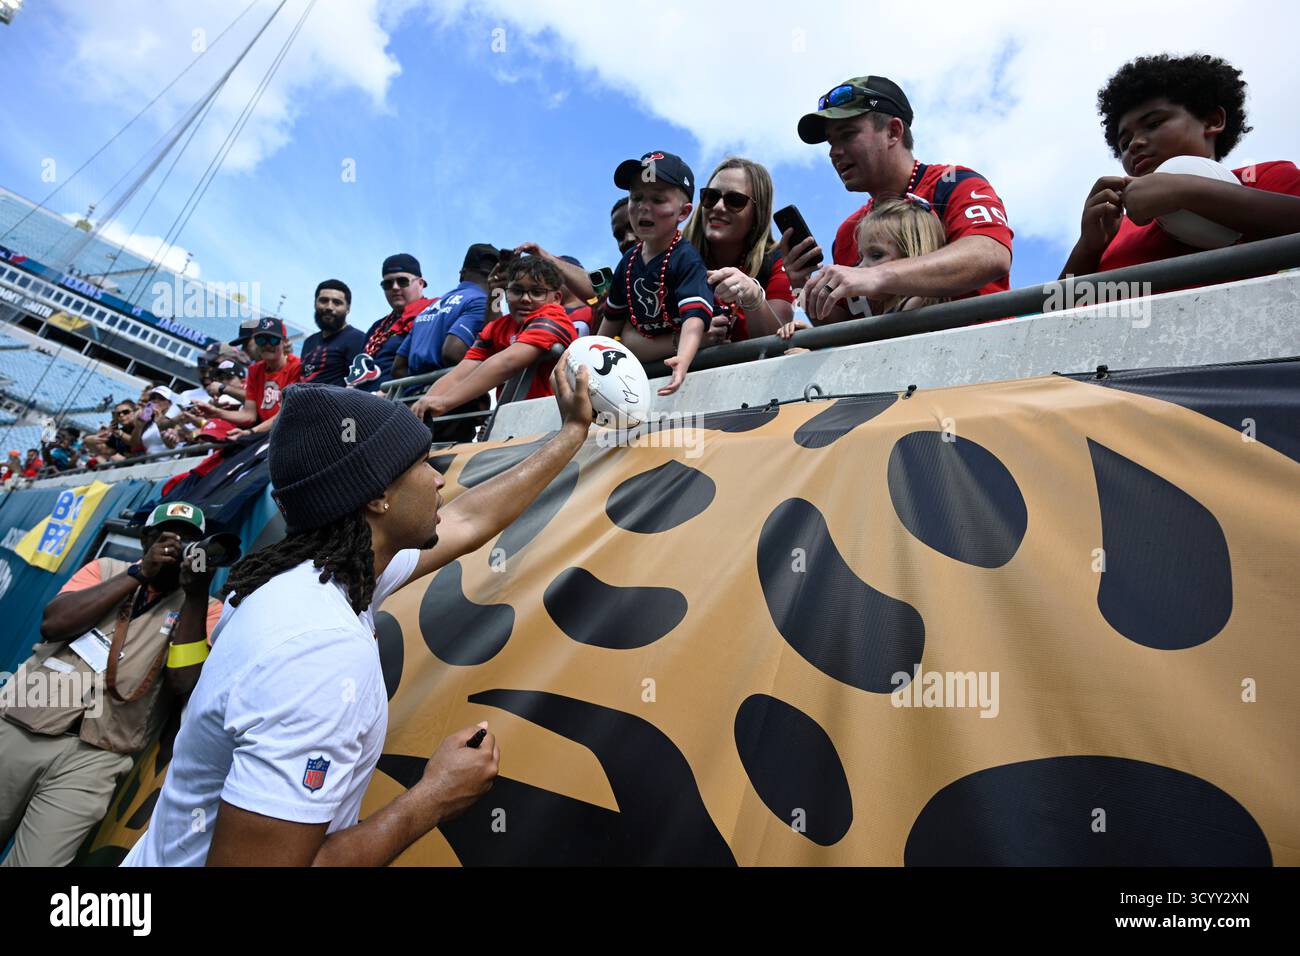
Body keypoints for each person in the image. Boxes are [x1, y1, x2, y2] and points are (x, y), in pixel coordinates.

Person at [121, 371, 594, 866]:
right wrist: (434, 796)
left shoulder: (315, 576)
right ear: (375, 496)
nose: (440, 478)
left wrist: (569, 436)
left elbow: (469, 520)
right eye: (422, 463)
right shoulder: (320, 651)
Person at [0, 502, 221, 867]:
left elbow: (185, 681)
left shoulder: (205, 607)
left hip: (98, 756)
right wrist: (139, 572)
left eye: (188, 541)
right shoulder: (105, 569)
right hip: (23, 725)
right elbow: (54, 623)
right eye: (166, 536)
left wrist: (195, 596)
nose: (175, 546)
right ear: (146, 539)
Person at [793, 75, 1014, 325]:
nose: (834, 152)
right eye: (831, 142)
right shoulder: (847, 232)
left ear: (893, 132)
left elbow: (992, 254)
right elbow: (847, 326)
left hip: (989, 356)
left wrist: (877, 276)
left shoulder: (953, 183)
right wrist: (804, 284)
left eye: (848, 135)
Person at [1061, 53, 1300, 277]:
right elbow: (1052, 315)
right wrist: (1088, 248)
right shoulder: (1114, 232)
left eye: (1154, 123)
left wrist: (1185, 191)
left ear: (1212, 121)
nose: (1134, 144)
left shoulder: (1262, 180)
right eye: (1124, 143)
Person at [597, 150, 715, 396]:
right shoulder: (628, 262)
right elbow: (610, 322)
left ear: (683, 213)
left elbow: (694, 321)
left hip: (699, 369)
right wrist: (588, 358)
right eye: (636, 197)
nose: (643, 207)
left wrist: (682, 358)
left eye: (658, 200)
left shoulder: (686, 258)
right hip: (651, 371)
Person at [411, 256, 577, 420]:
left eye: (537, 292)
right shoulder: (496, 327)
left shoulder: (555, 317)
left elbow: (508, 362)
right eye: (517, 291)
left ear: (556, 299)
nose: (525, 299)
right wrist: (421, 408)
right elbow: (460, 373)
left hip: (555, 419)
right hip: (512, 422)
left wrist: (444, 402)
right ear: (506, 292)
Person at [777, 196, 949, 351]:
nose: (860, 268)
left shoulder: (915, 305)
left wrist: (813, 353)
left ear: (913, 254)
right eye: (860, 258)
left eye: (876, 255)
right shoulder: (892, 309)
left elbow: (877, 357)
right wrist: (817, 338)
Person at [683, 157, 795, 345]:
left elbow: (779, 343)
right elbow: (629, 339)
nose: (718, 207)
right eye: (711, 196)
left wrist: (753, 298)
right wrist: (686, 338)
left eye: (734, 200)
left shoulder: (776, 261)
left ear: (757, 214)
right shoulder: (673, 255)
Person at [393, 245, 499, 379]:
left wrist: (418, 383)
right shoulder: (480, 302)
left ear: (462, 273)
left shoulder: (429, 308)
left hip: (408, 397)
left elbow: (398, 367)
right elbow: (453, 353)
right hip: (446, 395)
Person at [192, 318, 301, 440]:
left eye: (273, 339)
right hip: (263, 436)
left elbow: (284, 414)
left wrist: (251, 432)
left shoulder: (297, 367)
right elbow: (249, 415)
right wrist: (215, 412)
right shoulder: (255, 370)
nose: (267, 345)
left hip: (287, 437)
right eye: (261, 340)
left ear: (285, 342)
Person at [346, 254, 436, 392]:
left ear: (421, 283)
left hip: (397, 403)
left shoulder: (433, 314)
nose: (394, 287)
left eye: (402, 281)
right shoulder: (377, 326)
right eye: (388, 283)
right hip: (361, 400)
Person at [300, 280, 367, 387]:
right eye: (323, 300)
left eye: (337, 302)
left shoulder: (358, 339)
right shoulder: (309, 341)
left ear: (348, 308)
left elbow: (358, 385)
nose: (329, 307)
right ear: (315, 303)